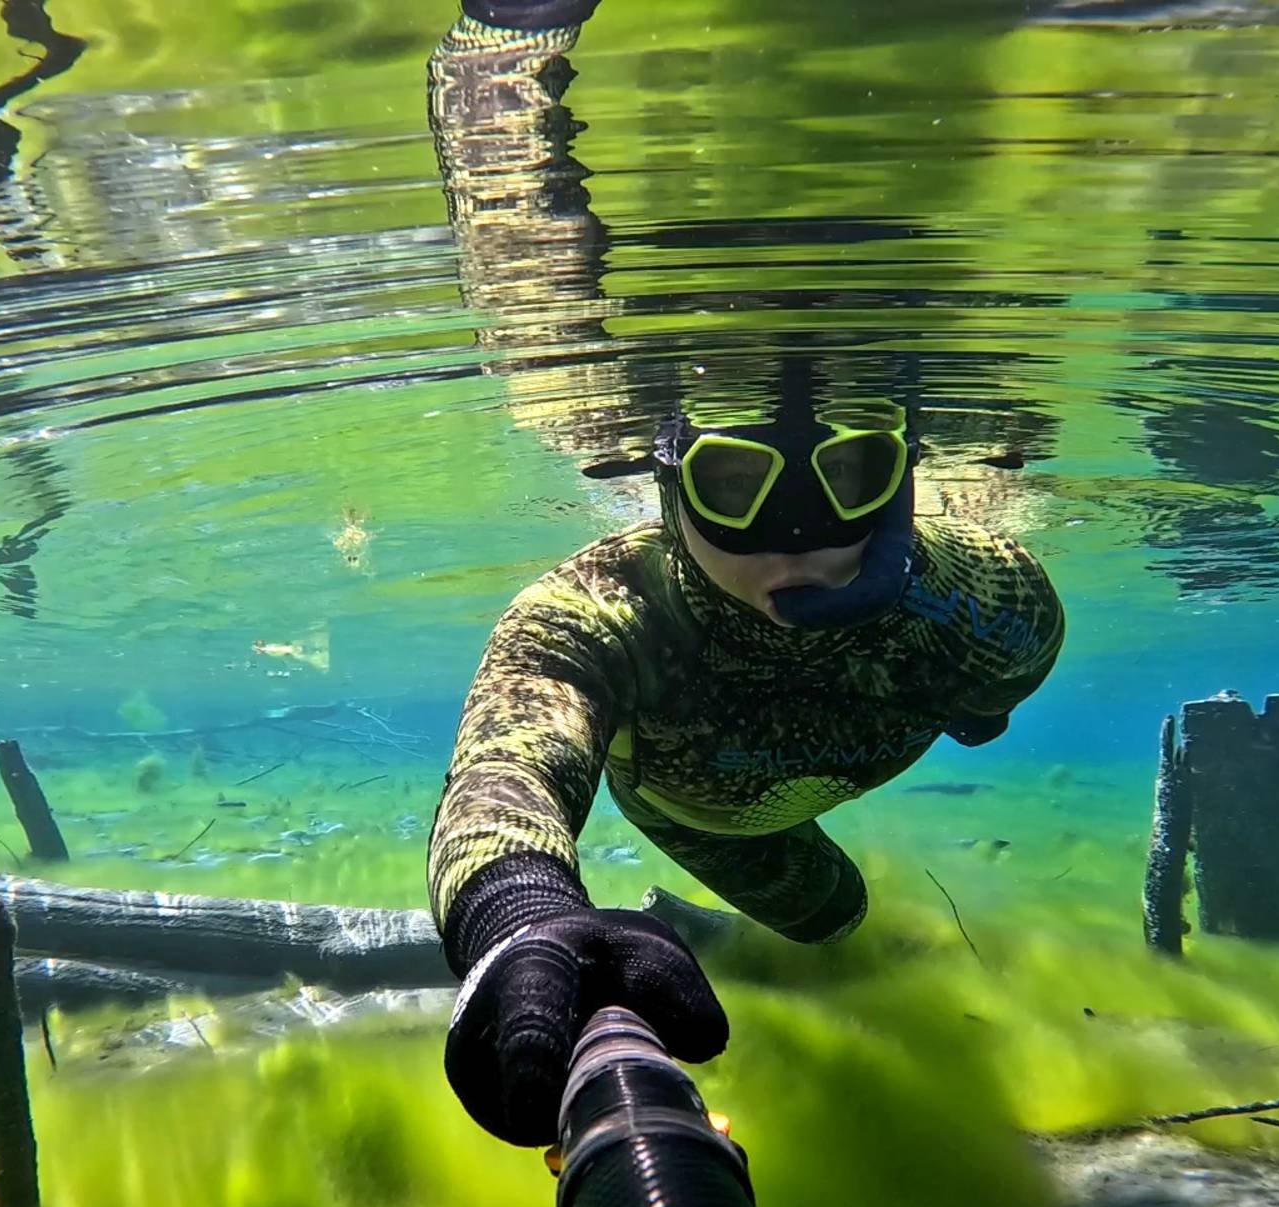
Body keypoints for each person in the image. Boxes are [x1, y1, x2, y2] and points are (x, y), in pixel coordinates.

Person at [425, 0, 1068, 1148]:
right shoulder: (591, 617)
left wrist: (916, 581)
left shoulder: (944, 576)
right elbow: (504, 773)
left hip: (846, 733)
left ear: (902, 473)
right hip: (715, 821)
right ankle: (501, 54)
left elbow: (1028, 632)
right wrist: (520, 921)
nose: (797, 536)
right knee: (836, 921)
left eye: (855, 477)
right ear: (668, 486)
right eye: (733, 486)